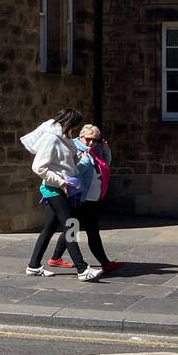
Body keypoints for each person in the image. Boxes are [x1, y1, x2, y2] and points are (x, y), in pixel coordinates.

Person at [20, 109, 103, 281]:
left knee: (49, 229)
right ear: (70, 122)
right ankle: (82, 269)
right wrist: (61, 182)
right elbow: (38, 167)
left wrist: (76, 161)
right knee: (71, 225)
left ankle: (33, 266)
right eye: (75, 124)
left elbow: (64, 163)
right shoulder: (52, 139)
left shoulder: (64, 138)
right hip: (54, 189)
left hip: (64, 188)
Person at [47, 124, 123, 272]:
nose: (91, 143)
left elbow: (104, 165)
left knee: (73, 228)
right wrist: (82, 161)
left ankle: (55, 258)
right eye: (88, 139)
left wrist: (107, 151)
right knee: (90, 231)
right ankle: (104, 263)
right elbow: (72, 172)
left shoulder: (95, 151)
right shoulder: (75, 150)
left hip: (91, 198)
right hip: (81, 198)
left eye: (95, 140)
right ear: (80, 136)